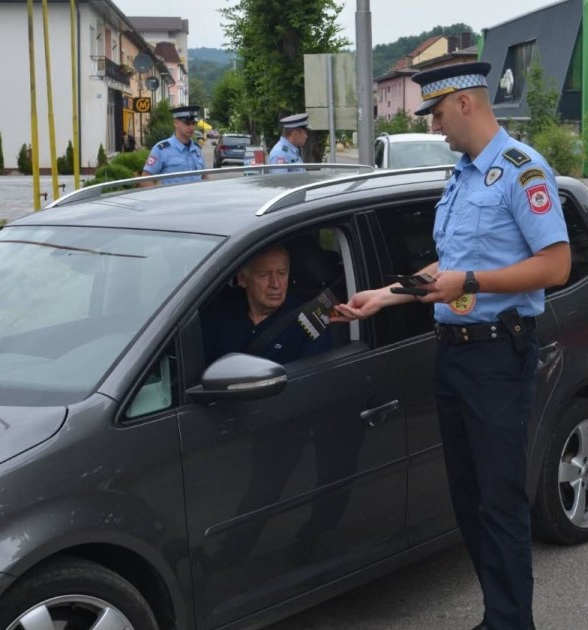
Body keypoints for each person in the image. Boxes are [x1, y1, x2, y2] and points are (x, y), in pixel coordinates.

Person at [334, 61, 568, 630]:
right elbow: (452, 264)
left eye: (437, 113)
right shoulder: (462, 176)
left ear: (465, 103)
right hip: (455, 354)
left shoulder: (521, 171)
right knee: (467, 501)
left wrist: (471, 283)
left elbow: (555, 265)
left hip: (497, 356)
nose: (436, 127)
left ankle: (511, 623)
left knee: (500, 501)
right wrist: (386, 295)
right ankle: (498, 616)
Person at [202, 244, 331, 365]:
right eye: (263, 275)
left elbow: (312, 380)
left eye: (282, 273)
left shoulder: (309, 319)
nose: (275, 284)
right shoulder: (221, 312)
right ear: (242, 278)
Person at [139, 105, 206, 186]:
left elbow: (204, 176)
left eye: (193, 123)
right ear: (176, 123)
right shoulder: (161, 149)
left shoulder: (196, 149)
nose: (191, 127)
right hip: (174, 198)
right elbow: (146, 179)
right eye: (187, 123)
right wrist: (161, 196)